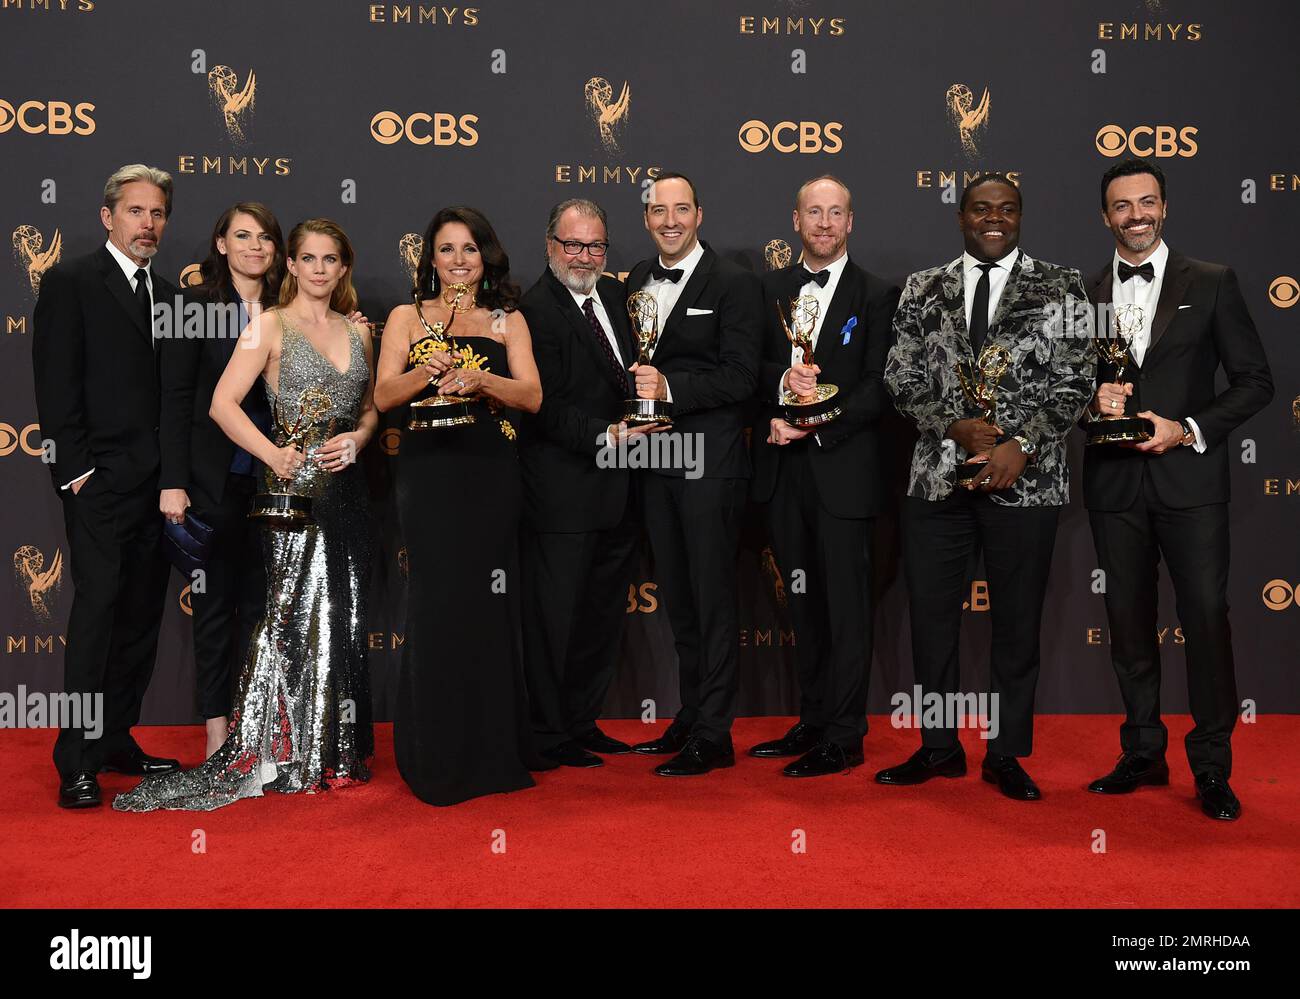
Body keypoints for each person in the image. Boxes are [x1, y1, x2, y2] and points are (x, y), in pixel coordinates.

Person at [113, 218, 377, 811]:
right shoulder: (269, 324)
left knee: (342, 614)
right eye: (307, 258)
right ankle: (289, 749)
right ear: (293, 264)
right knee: (290, 616)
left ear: (343, 267)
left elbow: (368, 410)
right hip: (292, 497)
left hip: (349, 493)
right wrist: (274, 454)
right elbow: (220, 404)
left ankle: (335, 748)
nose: (318, 269)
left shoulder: (360, 333)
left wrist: (360, 437)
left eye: (329, 259)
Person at [880, 173, 1095, 801]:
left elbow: (1076, 382)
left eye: (1005, 209)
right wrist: (951, 424)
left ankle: (1005, 754)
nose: (993, 219)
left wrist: (1019, 446)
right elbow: (899, 376)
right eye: (980, 209)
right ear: (961, 218)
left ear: (1021, 216)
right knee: (932, 621)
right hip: (938, 477)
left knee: (1017, 625)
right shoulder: (925, 287)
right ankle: (939, 747)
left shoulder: (1062, 286)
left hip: (1026, 483)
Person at [1082, 159, 1273, 821]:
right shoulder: (1084, 293)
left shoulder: (1214, 282)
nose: (1135, 215)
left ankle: (1213, 766)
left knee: (1204, 619)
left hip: (1190, 484)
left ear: (1164, 208)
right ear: (1105, 216)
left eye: (1146, 202)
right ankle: (1141, 751)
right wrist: (1092, 401)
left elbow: (1255, 381)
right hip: (1114, 486)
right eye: (1121, 206)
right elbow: (1067, 394)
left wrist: (1187, 427)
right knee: (1128, 623)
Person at [374, 205, 553, 806]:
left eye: (470, 249)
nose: (458, 260)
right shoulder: (406, 317)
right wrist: (427, 372)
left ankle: (492, 750)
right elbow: (384, 393)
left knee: (487, 609)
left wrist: (482, 382)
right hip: (428, 478)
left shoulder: (508, 322)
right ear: (429, 258)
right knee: (437, 605)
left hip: (489, 476)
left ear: (487, 257)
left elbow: (530, 396)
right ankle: (436, 753)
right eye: (446, 249)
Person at [33, 164, 182, 809]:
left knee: (141, 617)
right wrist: (77, 476)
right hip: (99, 486)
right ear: (107, 216)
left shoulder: (171, 294)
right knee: (97, 617)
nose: (147, 224)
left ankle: (117, 738)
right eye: (135, 212)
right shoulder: (71, 282)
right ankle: (76, 759)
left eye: (157, 214)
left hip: (156, 490)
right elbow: (56, 388)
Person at [749, 175, 900, 777]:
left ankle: (845, 733)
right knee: (803, 604)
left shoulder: (878, 294)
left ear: (851, 222)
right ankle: (812, 720)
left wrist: (814, 423)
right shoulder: (766, 291)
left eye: (836, 213)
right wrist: (781, 388)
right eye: (814, 212)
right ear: (795, 220)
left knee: (846, 607)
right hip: (783, 474)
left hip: (844, 473)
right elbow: (748, 369)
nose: (824, 223)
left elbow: (879, 388)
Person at [624, 173, 763, 776]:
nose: (671, 220)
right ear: (647, 218)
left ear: (700, 214)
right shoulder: (633, 278)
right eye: (659, 210)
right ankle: (689, 713)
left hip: (711, 462)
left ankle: (716, 731)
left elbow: (742, 378)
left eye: (682, 209)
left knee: (711, 597)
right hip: (654, 461)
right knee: (678, 594)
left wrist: (669, 388)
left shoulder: (734, 282)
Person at [516, 199, 644, 767]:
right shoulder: (533, 310)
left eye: (595, 246)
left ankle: (581, 721)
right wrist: (605, 434)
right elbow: (540, 406)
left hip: (618, 493)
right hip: (562, 491)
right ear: (550, 246)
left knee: (598, 617)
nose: (584, 256)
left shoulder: (617, 298)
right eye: (573, 245)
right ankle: (546, 733)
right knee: (554, 620)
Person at [158, 202, 282, 758]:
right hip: (211, 482)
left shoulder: (291, 309)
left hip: (275, 484)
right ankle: (216, 734)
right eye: (243, 236)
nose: (255, 246)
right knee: (213, 612)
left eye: (265, 238)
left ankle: (258, 729)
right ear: (221, 243)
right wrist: (174, 481)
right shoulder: (195, 308)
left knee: (263, 610)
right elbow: (177, 400)